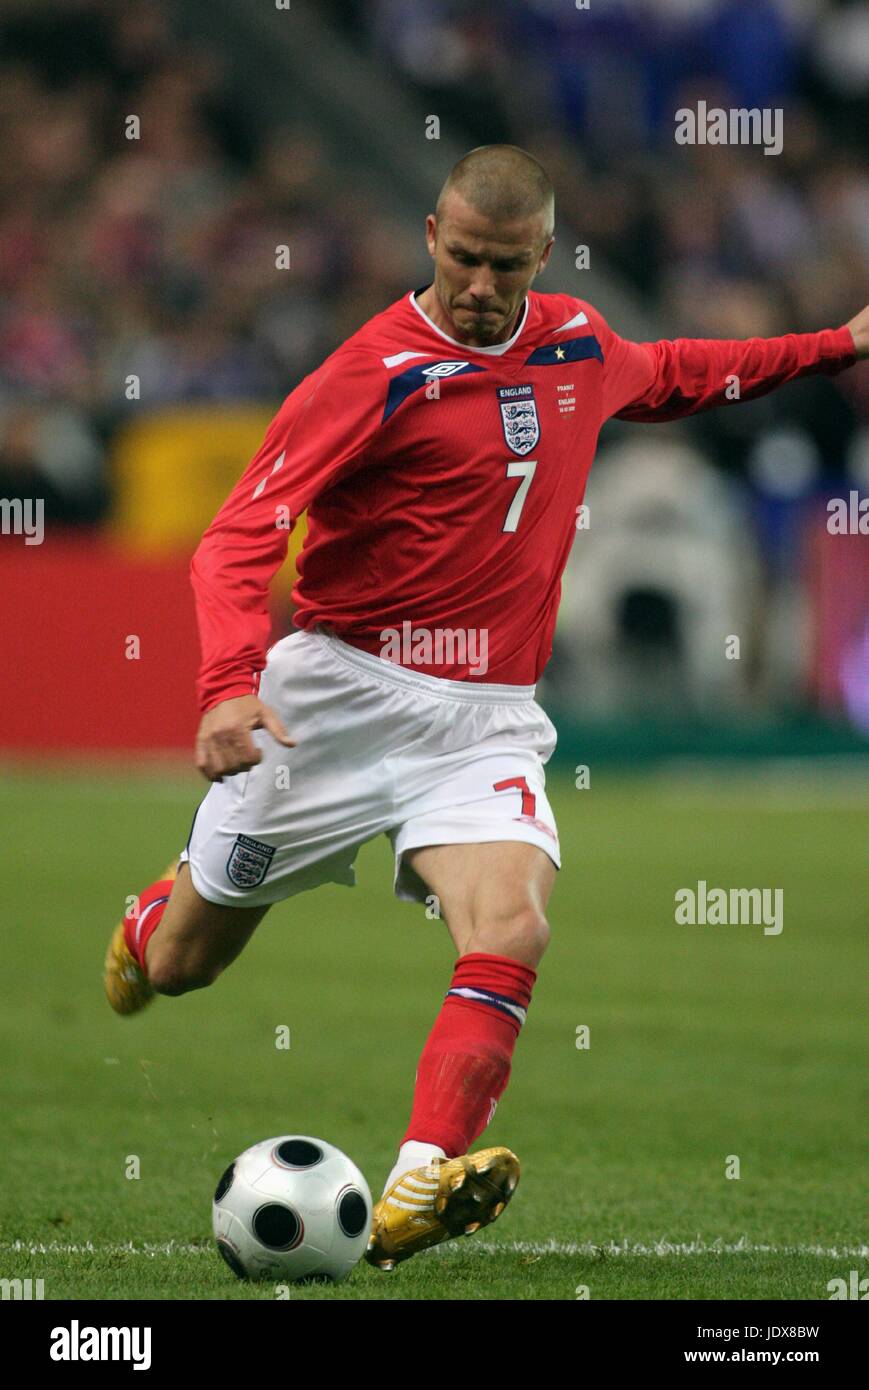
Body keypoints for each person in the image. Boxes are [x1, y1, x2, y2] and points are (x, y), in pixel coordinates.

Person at [104, 144, 867, 1271]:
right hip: (331, 701)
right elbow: (233, 539)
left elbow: (686, 371)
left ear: (540, 255)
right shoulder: (370, 373)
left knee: (511, 927)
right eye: (461, 258)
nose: (477, 285)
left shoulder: (574, 341)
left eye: (502, 265)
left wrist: (838, 343)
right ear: (429, 235)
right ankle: (149, 915)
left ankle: (418, 1181)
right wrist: (226, 688)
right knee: (180, 967)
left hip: (485, 715)